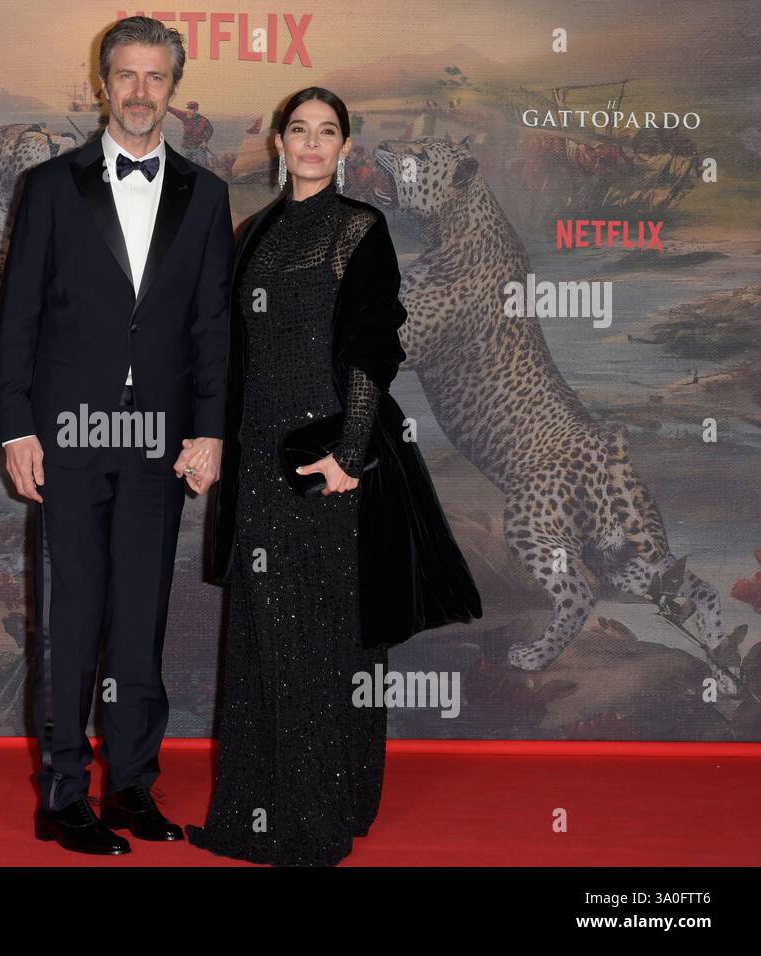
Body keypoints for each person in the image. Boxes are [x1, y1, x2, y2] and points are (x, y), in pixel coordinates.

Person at [186, 87, 481, 865]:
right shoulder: (256, 233)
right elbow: (231, 355)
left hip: (322, 460)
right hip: (257, 459)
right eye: (299, 131)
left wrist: (349, 455)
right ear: (280, 142)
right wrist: (214, 439)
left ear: (343, 146)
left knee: (323, 640)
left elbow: (374, 345)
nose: (312, 144)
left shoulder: (361, 228)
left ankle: (321, 818)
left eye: (327, 132)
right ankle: (251, 815)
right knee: (259, 635)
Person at [0, 16, 234, 855]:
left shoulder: (207, 195)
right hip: (65, 435)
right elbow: (16, 314)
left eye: (155, 78)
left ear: (174, 87)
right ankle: (63, 794)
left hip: (158, 442)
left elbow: (213, 326)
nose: (139, 93)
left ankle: (131, 784)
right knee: (73, 616)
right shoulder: (52, 185)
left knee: (142, 618)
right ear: (104, 85)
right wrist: (17, 426)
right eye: (124, 77)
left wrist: (210, 432)